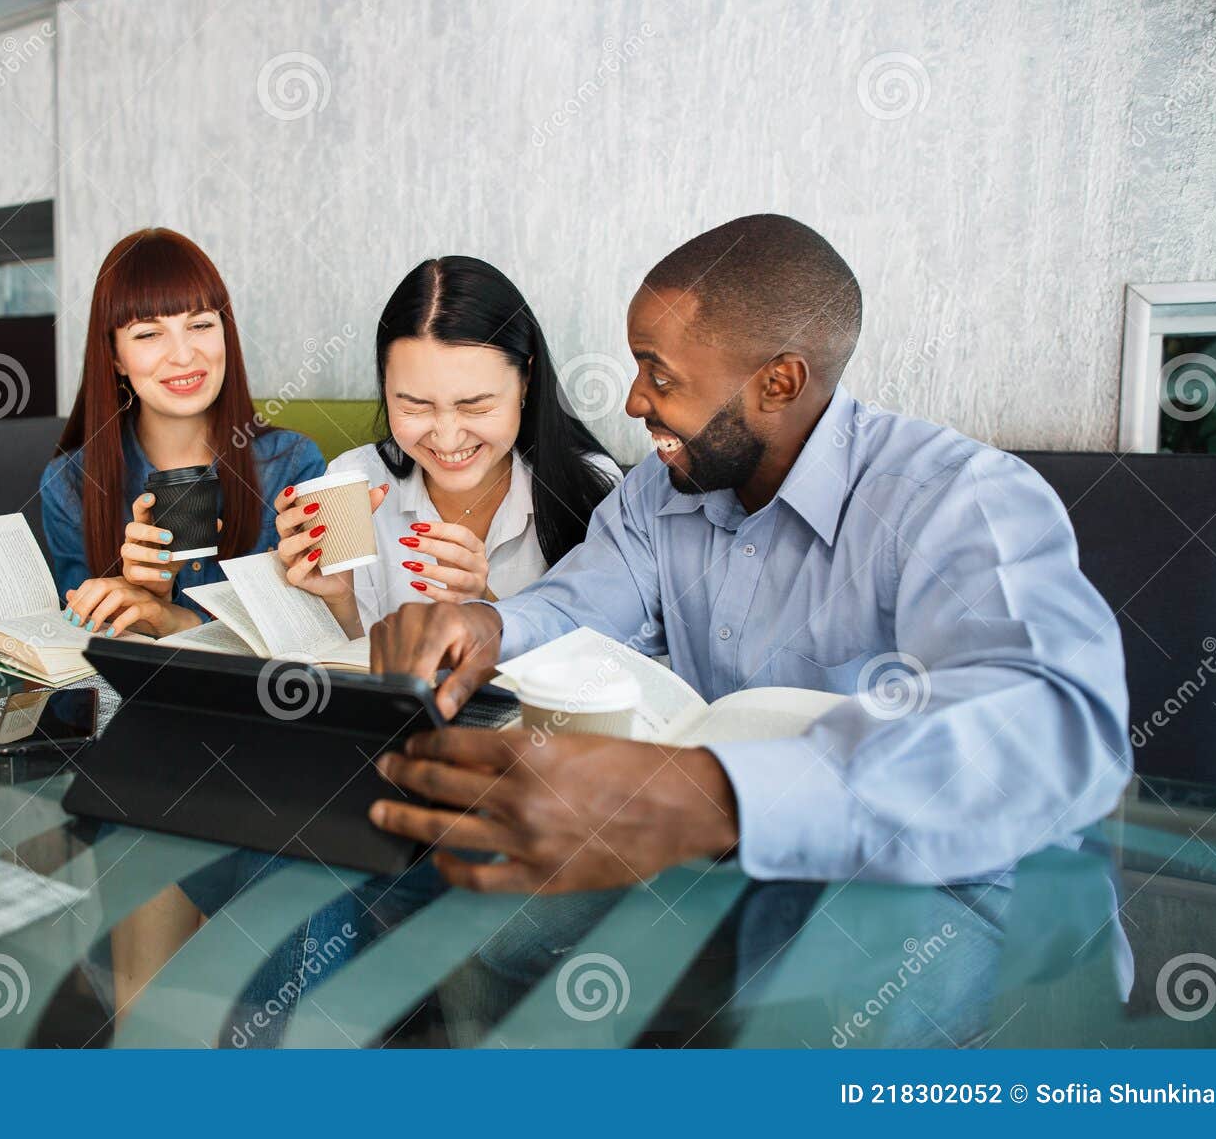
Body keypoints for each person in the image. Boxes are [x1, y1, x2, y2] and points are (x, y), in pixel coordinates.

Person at [366, 213, 1132, 892]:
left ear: (779, 383)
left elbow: (1058, 728)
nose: (633, 400)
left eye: (659, 375)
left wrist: (702, 795)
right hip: (727, 892)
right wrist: (489, 626)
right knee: (489, 944)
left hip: (954, 906)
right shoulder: (655, 493)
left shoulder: (960, 497)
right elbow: (580, 603)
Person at [271, 256, 622, 636]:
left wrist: (489, 614)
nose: (447, 438)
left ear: (526, 380)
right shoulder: (352, 482)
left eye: (476, 406)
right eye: (414, 406)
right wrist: (337, 602)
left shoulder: (593, 488)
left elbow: (611, 663)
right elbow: (350, 676)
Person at [39, 228, 325, 637]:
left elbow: (312, 632)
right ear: (115, 357)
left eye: (201, 325)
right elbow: (79, 650)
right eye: (149, 333)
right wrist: (143, 593)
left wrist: (175, 620)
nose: (184, 354)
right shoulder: (69, 483)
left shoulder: (292, 466)